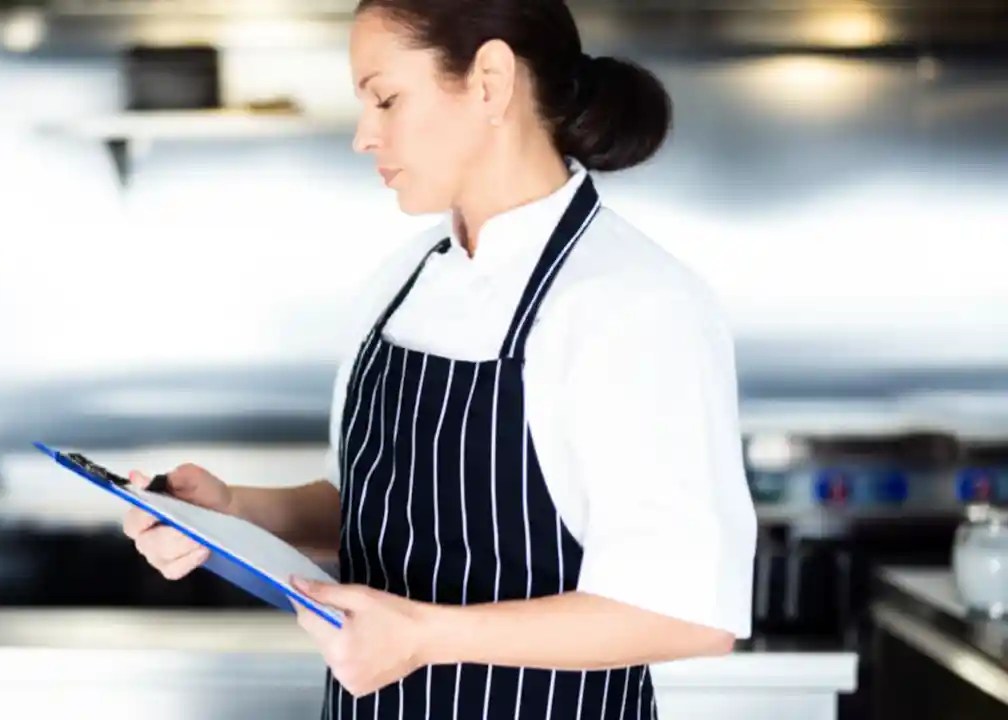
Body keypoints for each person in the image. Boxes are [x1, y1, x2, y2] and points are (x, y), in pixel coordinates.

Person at [121, 0, 757, 717]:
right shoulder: (403, 281)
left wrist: (425, 636)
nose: (365, 136)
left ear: (489, 79)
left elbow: (688, 613)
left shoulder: (632, 302)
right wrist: (234, 513)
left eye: (387, 98)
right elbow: (376, 509)